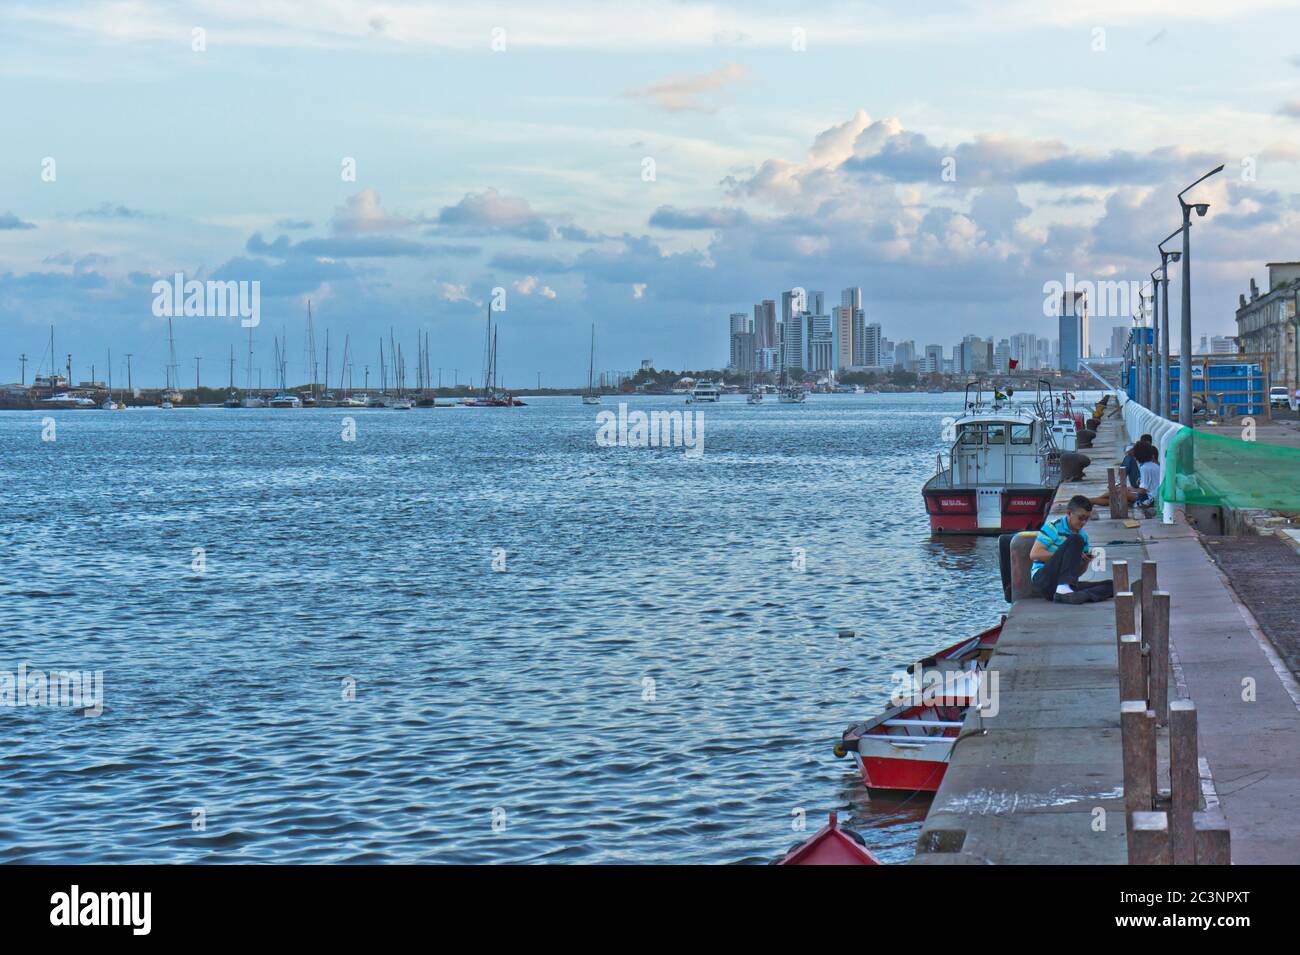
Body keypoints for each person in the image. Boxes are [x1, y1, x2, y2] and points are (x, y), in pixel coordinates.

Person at [1030, 496, 1114, 604]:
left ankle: (1080, 595)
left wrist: (1084, 563)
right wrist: (1065, 556)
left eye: (1086, 519)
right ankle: (1064, 590)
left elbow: (1075, 574)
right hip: (1044, 579)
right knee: (1075, 539)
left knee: (1113, 585)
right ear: (1069, 513)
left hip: (1063, 584)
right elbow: (1034, 554)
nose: (1083, 522)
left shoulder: (1084, 537)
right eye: (1080, 518)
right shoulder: (1053, 527)